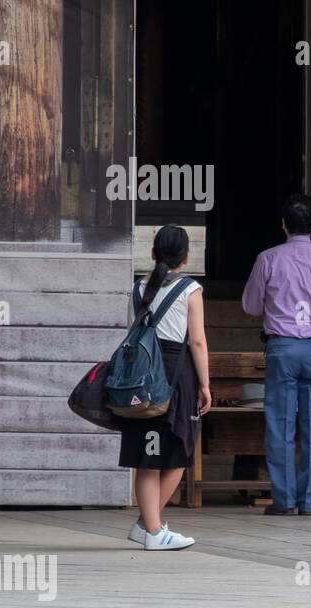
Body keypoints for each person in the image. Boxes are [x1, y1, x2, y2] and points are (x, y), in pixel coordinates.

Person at [242, 194, 311, 516]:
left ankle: (284, 501)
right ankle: (310, 502)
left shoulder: (268, 258)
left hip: (282, 347)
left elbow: (251, 306)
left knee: (280, 425)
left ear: (283, 224)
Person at [118, 225, 209, 551]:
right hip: (174, 372)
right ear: (185, 258)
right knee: (180, 451)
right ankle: (152, 529)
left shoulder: (137, 288)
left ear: (154, 253)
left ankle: (149, 526)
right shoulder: (190, 290)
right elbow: (197, 341)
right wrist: (206, 384)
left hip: (140, 374)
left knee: (146, 456)